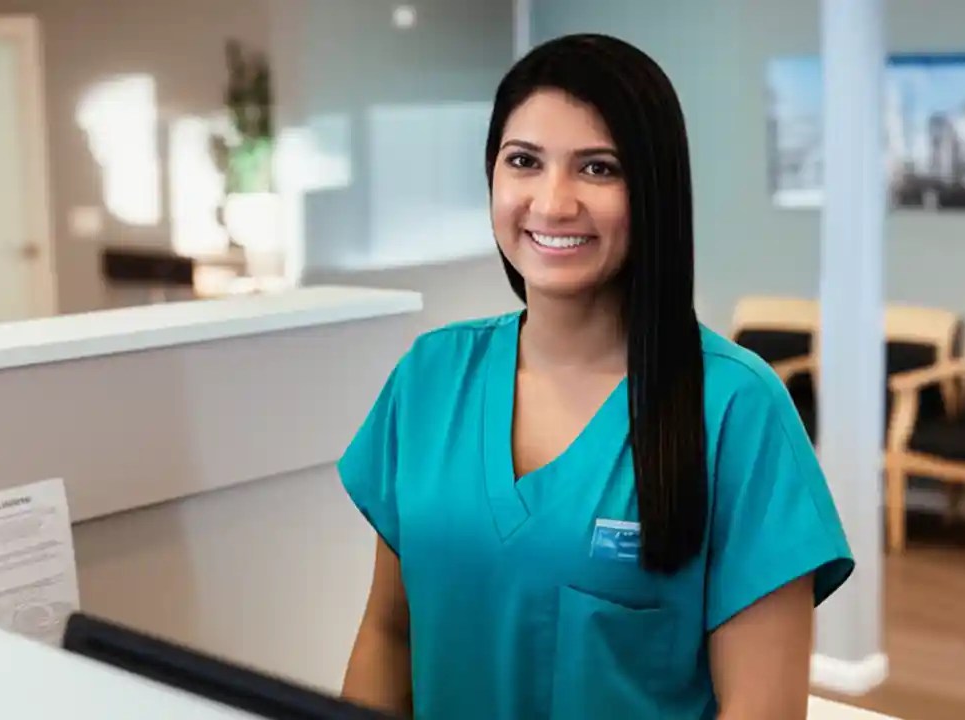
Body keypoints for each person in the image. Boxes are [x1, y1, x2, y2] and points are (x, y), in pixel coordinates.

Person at [337, 33, 854, 720]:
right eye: (524, 161)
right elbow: (390, 634)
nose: (552, 203)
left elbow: (760, 711)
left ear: (654, 190)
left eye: (598, 169)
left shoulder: (735, 409)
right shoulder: (430, 378)